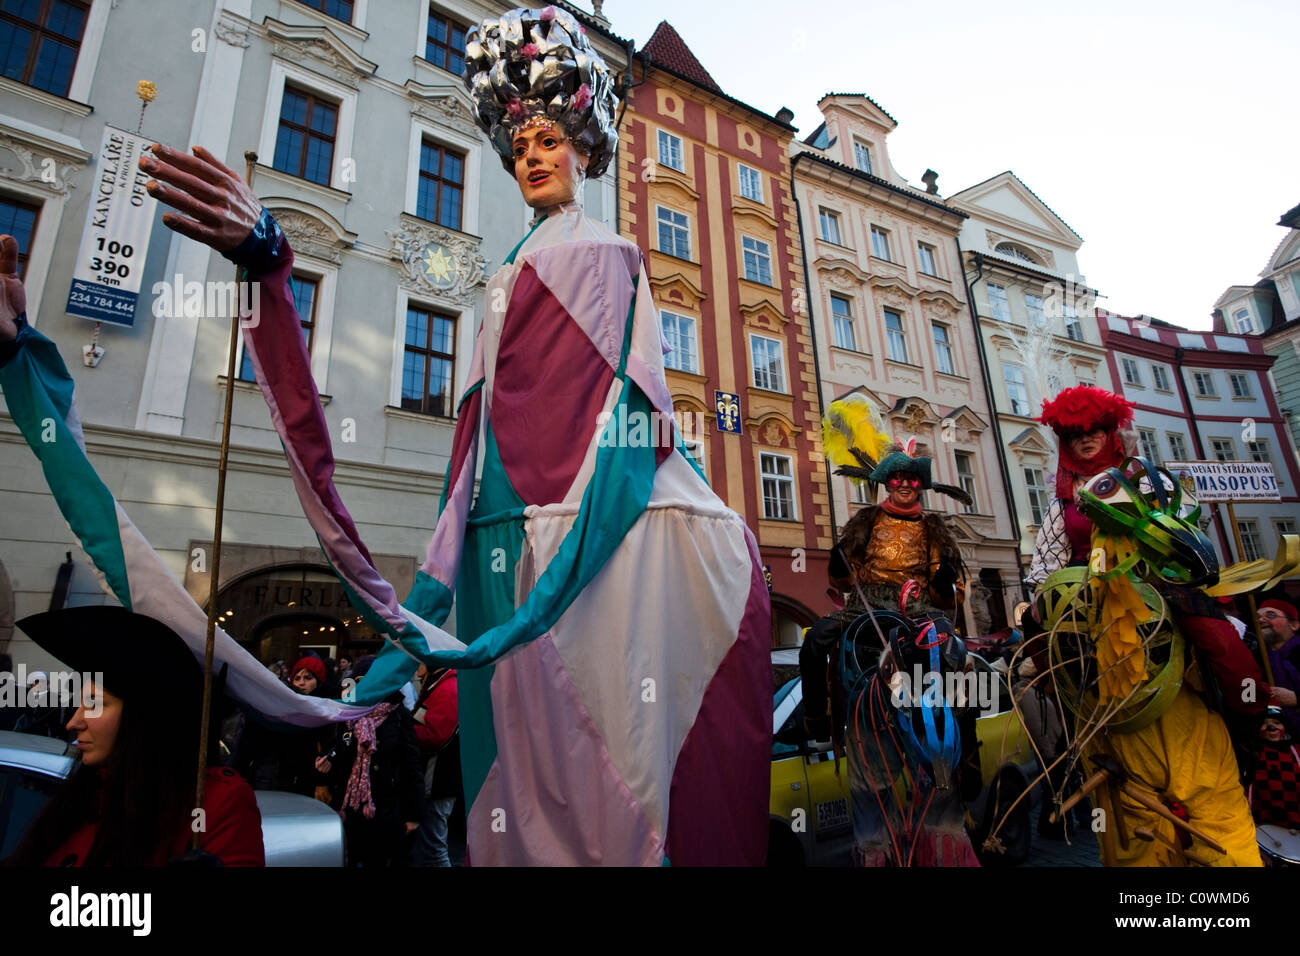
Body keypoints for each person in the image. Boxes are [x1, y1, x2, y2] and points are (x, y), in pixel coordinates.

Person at [122, 5, 770, 865]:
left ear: (582, 146)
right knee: (521, 798)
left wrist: (602, 536)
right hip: (508, 560)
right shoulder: (502, 277)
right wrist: (271, 261)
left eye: (549, 140)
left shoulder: (609, 252)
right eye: (521, 147)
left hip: (600, 555)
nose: (534, 158)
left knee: (615, 792)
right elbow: (475, 447)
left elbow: (635, 416)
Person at [1027, 385, 1264, 866]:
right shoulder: (1060, 507)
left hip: (1155, 586)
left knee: (1217, 638)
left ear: (1111, 431)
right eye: (1074, 434)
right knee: (1039, 643)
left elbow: (1188, 542)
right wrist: (1047, 607)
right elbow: (1046, 569)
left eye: (1094, 429)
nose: (1085, 440)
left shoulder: (1149, 481)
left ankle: (1249, 707)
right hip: (1087, 601)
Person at [3, 606, 263, 866]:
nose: (74, 722)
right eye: (79, 703)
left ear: (142, 717)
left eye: (94, 704)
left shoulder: (215, 803)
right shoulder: (84, 794)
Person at [325, 656, 422, 867]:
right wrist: (328, 762)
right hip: (349, 809)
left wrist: (412, 814)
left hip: (385, 808)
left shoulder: (398, 716)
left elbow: (411, 767)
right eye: (359, 680)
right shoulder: (347, 716)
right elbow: (340, 754)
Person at [410, 664, 460, 867]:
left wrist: (404, 730)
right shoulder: (436, 684)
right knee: (429, 846)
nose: (415, 663)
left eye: (420, 658)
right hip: (433, 778)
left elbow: (435, 736)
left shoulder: (448, 688)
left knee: (434, 848)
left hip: (437, 780)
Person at [1260, 599, 1300, 737]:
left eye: (1270, 615)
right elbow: (1246, 696)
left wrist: (1296, 699)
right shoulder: (1253, 657)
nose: (1261, 620)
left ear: (1293, 625)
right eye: (1257, 616)